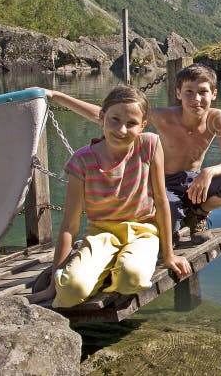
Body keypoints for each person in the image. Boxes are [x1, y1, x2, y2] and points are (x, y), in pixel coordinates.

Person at [42, 63, 221, 243]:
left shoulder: (216, 117)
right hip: (165, 184)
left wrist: (207, 172)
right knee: (169, 225)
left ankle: (198, 213)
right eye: (189, 92)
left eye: (203, 92)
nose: (196, 99)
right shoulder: (163, 117)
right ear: (178, 93)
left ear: (214, 94)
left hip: (194, 180)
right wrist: (57, 96)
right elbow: (102, 115)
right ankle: (169, 220)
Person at [27, 86, 190, 307]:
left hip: (143, 231)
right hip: (101, 233)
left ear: (142, 126)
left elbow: (161, 202)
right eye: (114, 119)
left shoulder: (149, 144)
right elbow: (69, 225)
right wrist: (54, 284)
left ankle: (107, 270)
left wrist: (169, 255)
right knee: (69, 293)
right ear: (102, 117)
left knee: (131, 278)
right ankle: (90, 270)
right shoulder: (81, 161)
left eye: (131, 123)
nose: (121, 129)